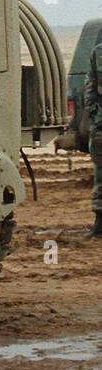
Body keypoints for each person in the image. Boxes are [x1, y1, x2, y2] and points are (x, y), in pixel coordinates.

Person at [84, 40, 102, 237]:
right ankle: (100, 224)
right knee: (101, 175)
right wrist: (96, 116)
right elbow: (89, 88)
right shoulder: (98, 53)